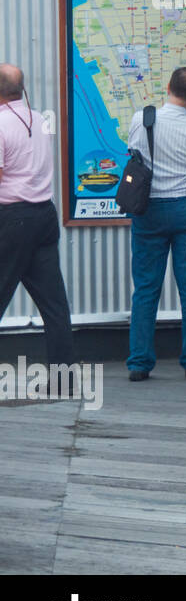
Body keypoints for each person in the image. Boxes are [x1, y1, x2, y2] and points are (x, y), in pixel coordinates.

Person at [125, 67, 186, 380]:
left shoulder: (141, 119)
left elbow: (134, 153)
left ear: (168, 87)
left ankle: (139, 363)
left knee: (146, 287)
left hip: (148, 212)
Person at [0, 64, 75, 372]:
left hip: (12, 218)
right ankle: (63, 377)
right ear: (22, 89)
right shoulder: (41, 119)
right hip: (44, 216)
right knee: (54, 305)